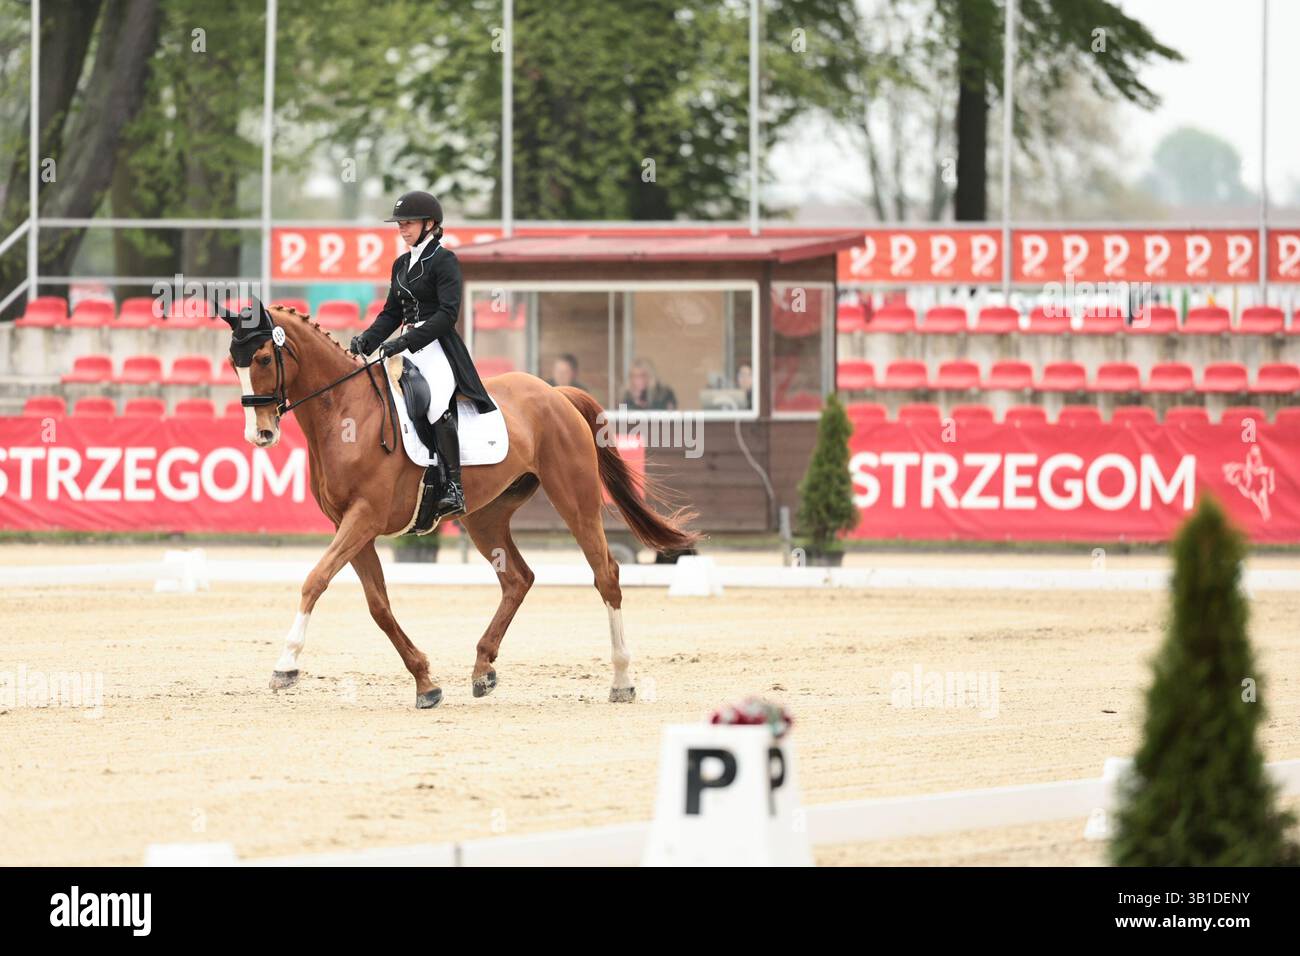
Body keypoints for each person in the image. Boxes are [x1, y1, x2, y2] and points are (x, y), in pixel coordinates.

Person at [348, 190, 496, 519]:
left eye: (409, 222)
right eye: (400, 223)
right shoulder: (401, 264)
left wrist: (406, 341)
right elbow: (390, 313)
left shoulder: (444, 261)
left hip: (437, 345)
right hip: (405, 346)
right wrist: (367, 340)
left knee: (436, 403)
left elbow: (448, 314)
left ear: (430, 224)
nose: (402, 228)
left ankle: (453, 486)